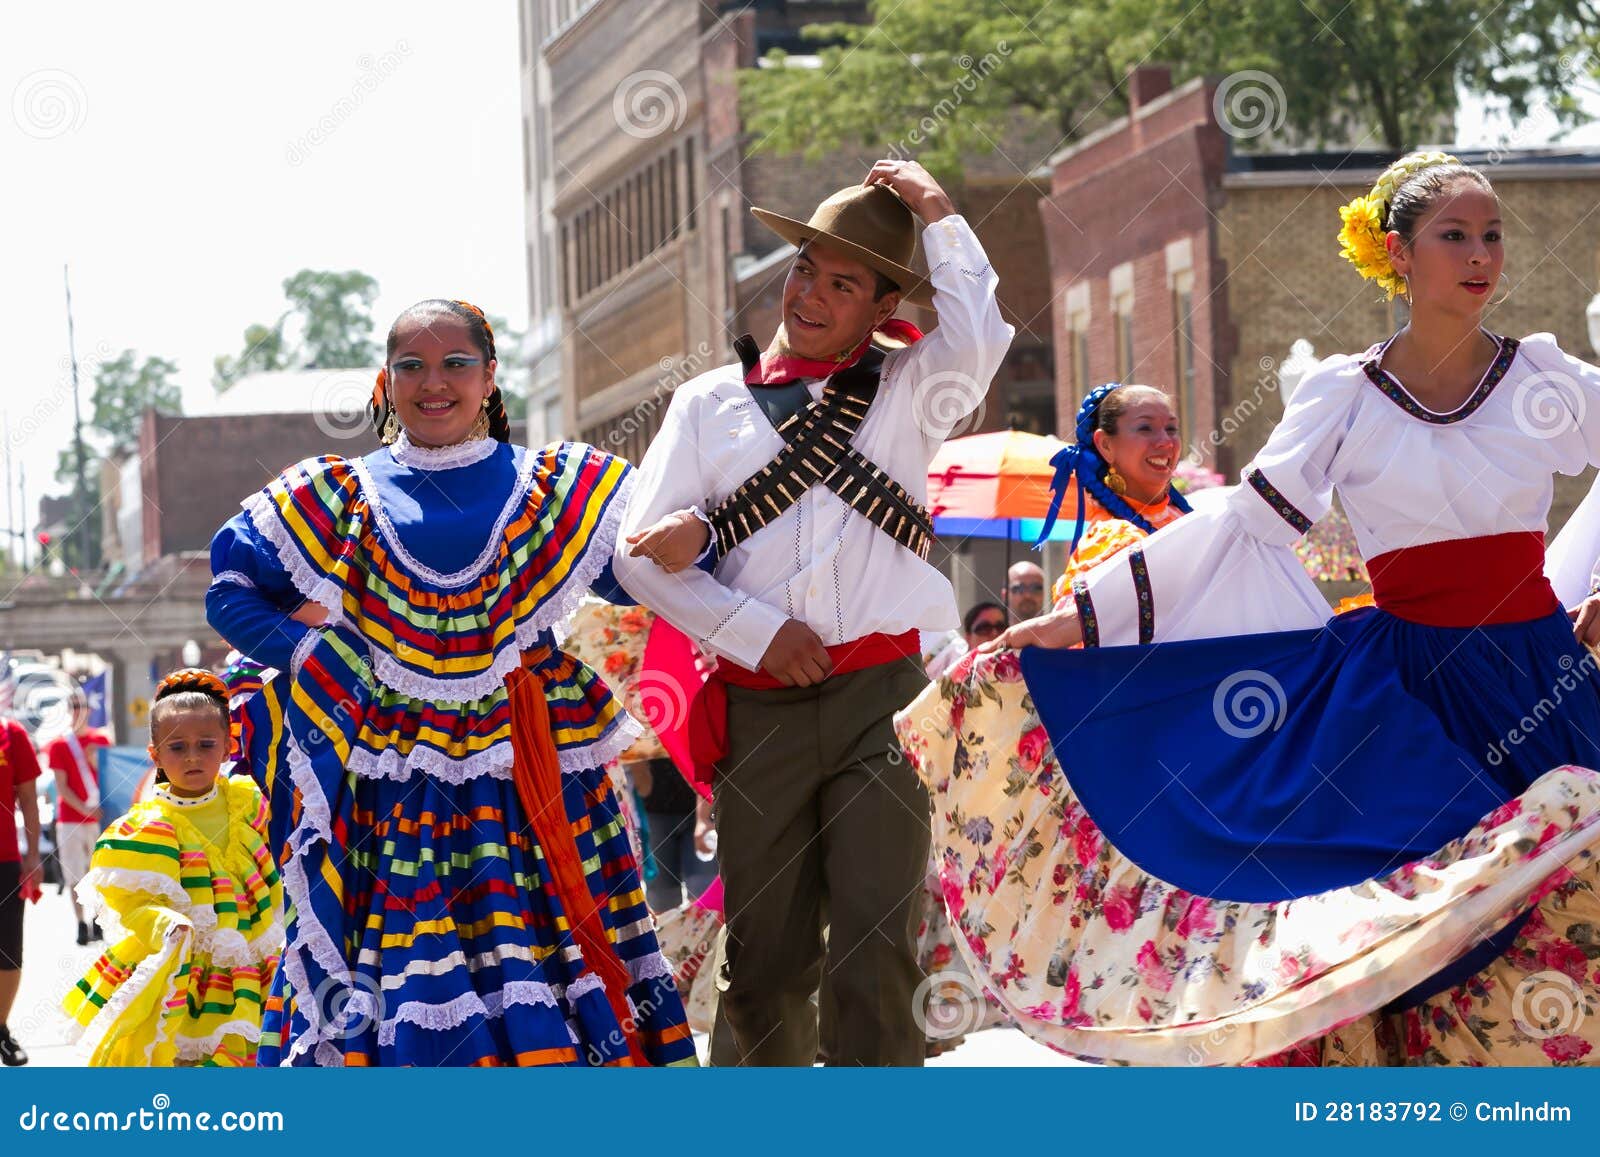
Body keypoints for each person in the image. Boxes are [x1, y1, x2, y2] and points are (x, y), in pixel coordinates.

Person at [898, 151, 1600, 1065]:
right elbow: (1245, 526)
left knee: (1565, 887)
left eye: (1493, 235)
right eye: (1455, 235)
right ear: (1399, 252)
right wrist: (1085, 621)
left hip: (1537, 671)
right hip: (1407, 691)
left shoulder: (1544, 379)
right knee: (1394, 930)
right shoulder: (1346, 391)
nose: (1481, 256)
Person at [209, 299, 697, 1067]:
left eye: (456, 365)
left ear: (490, 377)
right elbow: (230, 584)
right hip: (391, 782)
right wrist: (319, 654)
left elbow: (634, 576)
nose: (434, 383)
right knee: (405, 957)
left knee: (549, 947)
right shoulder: (333, 496)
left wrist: (694, 536)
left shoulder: (558, 486)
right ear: (386, 379)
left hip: (532, 769)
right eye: (413, 367)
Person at [616, 158, 1013, 1066]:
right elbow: (641, 561)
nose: (812, 294)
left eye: (844, 283)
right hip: (762, 707)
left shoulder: (913, 389)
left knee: (878, 949)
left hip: (887, 697)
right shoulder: (708, 404)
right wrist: (756, 632)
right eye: (805, 271)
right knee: (766, 958)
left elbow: (981, 335)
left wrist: (937, 211)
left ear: (883, 311)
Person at [61, 671, 281, 1066]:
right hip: (181, 969)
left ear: (229, 747)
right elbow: (133, 905)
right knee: (180, 1054)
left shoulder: (248, 804)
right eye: (177, 747)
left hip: (247, 964)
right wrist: (166, 924)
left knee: (243, 1050)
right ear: (155, 755)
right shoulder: (147, 826)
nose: (193, 756)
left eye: (206, 744)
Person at [45, 692, 109, 945]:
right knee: (74, 873)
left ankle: (99, 920)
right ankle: (81, 923)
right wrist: (84, 810)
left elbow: (109, 777)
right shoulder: (60, 745)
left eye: (81, 706)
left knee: (101, 872)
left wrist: (95, 758)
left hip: (99, 819)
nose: (77, 711)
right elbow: (61, 787)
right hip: (71, 819)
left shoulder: (101, 740)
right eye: (73, 707)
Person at [0, 714, 42, 1066]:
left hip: (5, 863)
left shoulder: (11, 734)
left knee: (9, 952)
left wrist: (33, 857)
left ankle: (0, 1030)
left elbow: (28, 798)